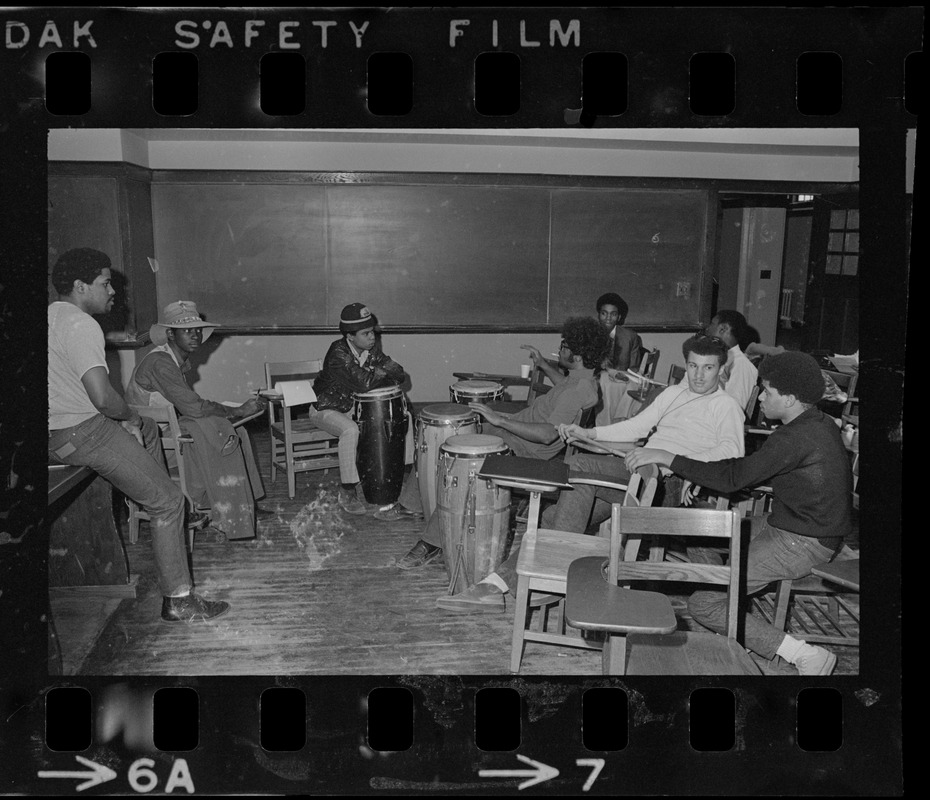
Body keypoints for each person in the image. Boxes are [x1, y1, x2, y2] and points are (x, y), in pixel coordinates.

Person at [435, 334, 744, 611]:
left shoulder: (725, 405)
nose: (699, 375)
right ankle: (497, 586)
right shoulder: (674, 394)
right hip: (635, 474)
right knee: (554, 517)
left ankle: (541, 579)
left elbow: (732, 453)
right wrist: (590, 434)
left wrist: (675, 459)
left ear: (721, 370)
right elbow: (635, 427)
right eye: (693, 366)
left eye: (708, 368)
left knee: (578, 468)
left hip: (665, 485)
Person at [625, 351, 851, 676]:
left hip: (802, 541)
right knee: (703, 534)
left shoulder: (796, 437)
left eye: (767, 391)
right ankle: (732, 611)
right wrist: (696, 472)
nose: (759, 396)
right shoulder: (815, 422)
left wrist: (667, 455)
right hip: (792, 526)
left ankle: (805, 654)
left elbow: (734, 479)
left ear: (788, 399)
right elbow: (744, 470)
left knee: (703, 604)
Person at [48, 248, 228, 623]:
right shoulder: (82, 325)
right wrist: (127, 417)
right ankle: (179, 599)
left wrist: (133, 423)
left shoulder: (49, 316)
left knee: (145, 429)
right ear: (80, 286)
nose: (112, 290)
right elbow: (102, 397)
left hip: (54, 433)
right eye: (105, 282)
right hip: (85, 432)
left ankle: (145, 491)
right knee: (168, 501)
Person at [396, 317, 607, 579]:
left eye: (564, 345)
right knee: (458, 432)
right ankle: (414, 503)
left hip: (524, 450)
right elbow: (564, 389)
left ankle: (431, 542)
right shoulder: (581, 379)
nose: (560, 348)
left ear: (576, 355)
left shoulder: (577, 389)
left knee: (458, 455)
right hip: (517, 435)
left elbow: (547, 435)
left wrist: (500, 420)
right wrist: (543, 364)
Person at [125, 300, 267, 541]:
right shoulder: (160, 363)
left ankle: (245, 503)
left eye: (197, 330)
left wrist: (230, 412)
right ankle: (232, 511)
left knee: (235, 433)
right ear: (170, 334)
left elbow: (190, 404)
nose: (195, 335)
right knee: (223, 434)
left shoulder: (172, 359)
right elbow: (194, 407)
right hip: (157, 446)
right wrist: (239, 410)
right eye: (187, 330)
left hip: (169, 434)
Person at [312, 302, 410, 515]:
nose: (372, 337)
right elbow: (363, 383)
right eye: (366, 333)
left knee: (402, 416)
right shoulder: (338, 353)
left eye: (372, 332)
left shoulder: (370, 350)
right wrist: (382, 371)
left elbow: (400, 373)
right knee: (350, 430)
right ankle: (347, 490)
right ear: (350, 336)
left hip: (353, 408)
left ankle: (404, 473)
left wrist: (382, 370)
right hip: (326, 408)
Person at [705, 310, 759, 414]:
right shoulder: (718, 359)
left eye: (712, 324)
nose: (708, 329)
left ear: (723, 329)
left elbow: (734, 408)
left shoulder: (740, 364)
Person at [597, 292, 643, 375]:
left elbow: (634, 369)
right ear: (598, 315)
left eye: (613, 314)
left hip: (621, 383)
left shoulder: (630, 337)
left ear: (619, 317)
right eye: (604, 313)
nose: (608, 318)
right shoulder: (589, 335)